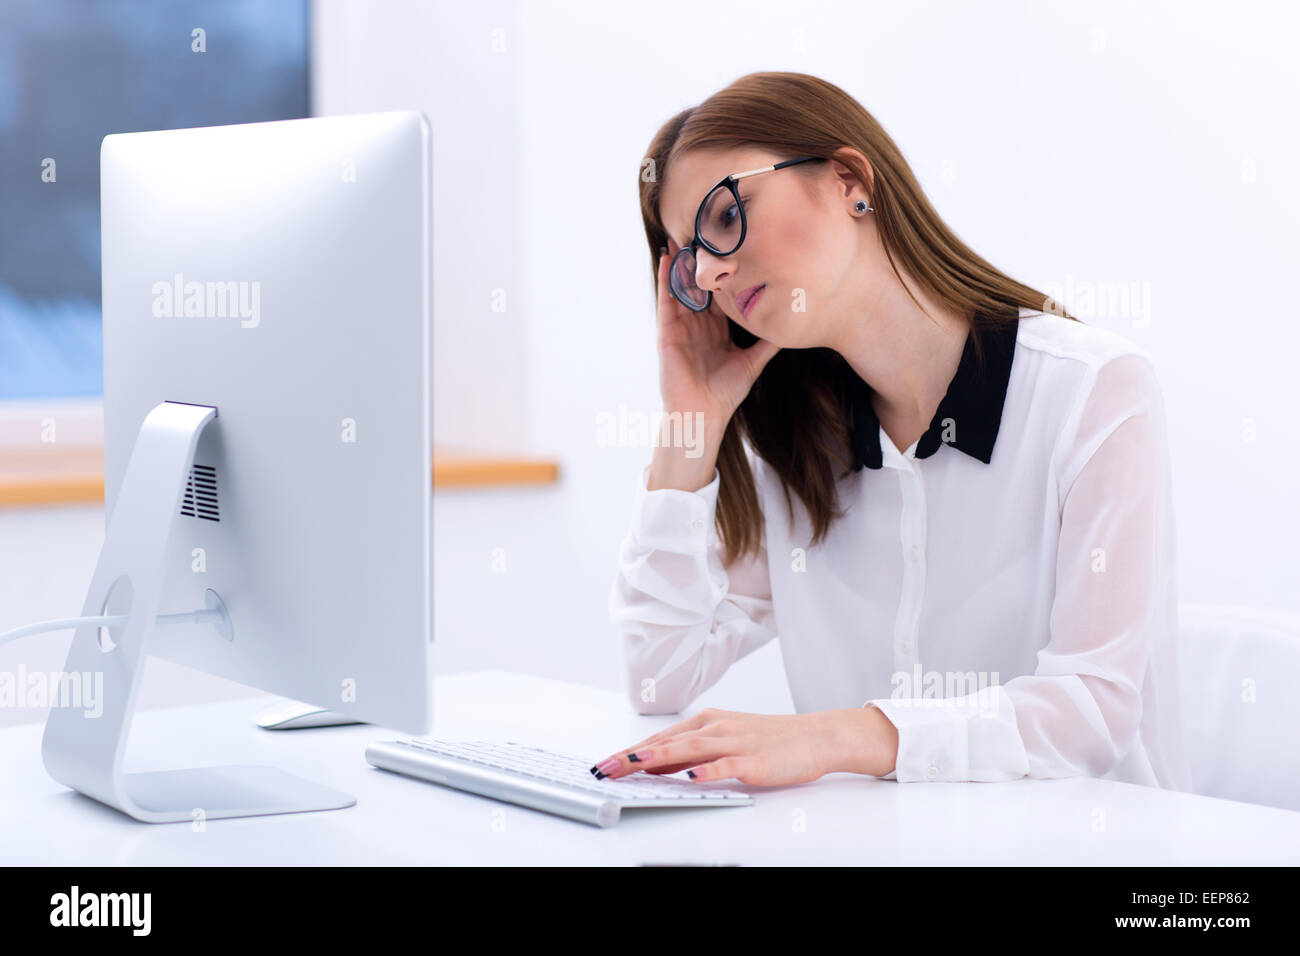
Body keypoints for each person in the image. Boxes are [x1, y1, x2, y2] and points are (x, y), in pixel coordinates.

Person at [592, 71, 1191, 794]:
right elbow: (657, 674)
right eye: (692, 260)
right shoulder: (799, 446)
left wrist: (841, 736)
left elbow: (1094, 709)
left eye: (724, 218)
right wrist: (691, 422)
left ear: (850, 181)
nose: (714, 273)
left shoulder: (1092, 392)